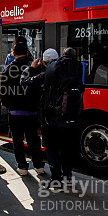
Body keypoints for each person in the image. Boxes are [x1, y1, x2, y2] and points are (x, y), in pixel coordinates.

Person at [1, 41, 45, 176]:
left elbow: (4, 91)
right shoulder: (35, 67)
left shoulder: (8, 69)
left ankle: (22, 167)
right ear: (27, 52)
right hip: (32, 110)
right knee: (33, 139)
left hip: (15, 111)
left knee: (17, 140)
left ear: (13, 53)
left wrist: (9, 105)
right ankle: (39, 165)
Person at [42, 48, 84, 188]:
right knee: (68, 147)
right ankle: (67, 176)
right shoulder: (78, 66)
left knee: (51, 146)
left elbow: (46, 89)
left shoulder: (52, 67)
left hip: (54, 115)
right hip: (73, 114)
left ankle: (56, 178)